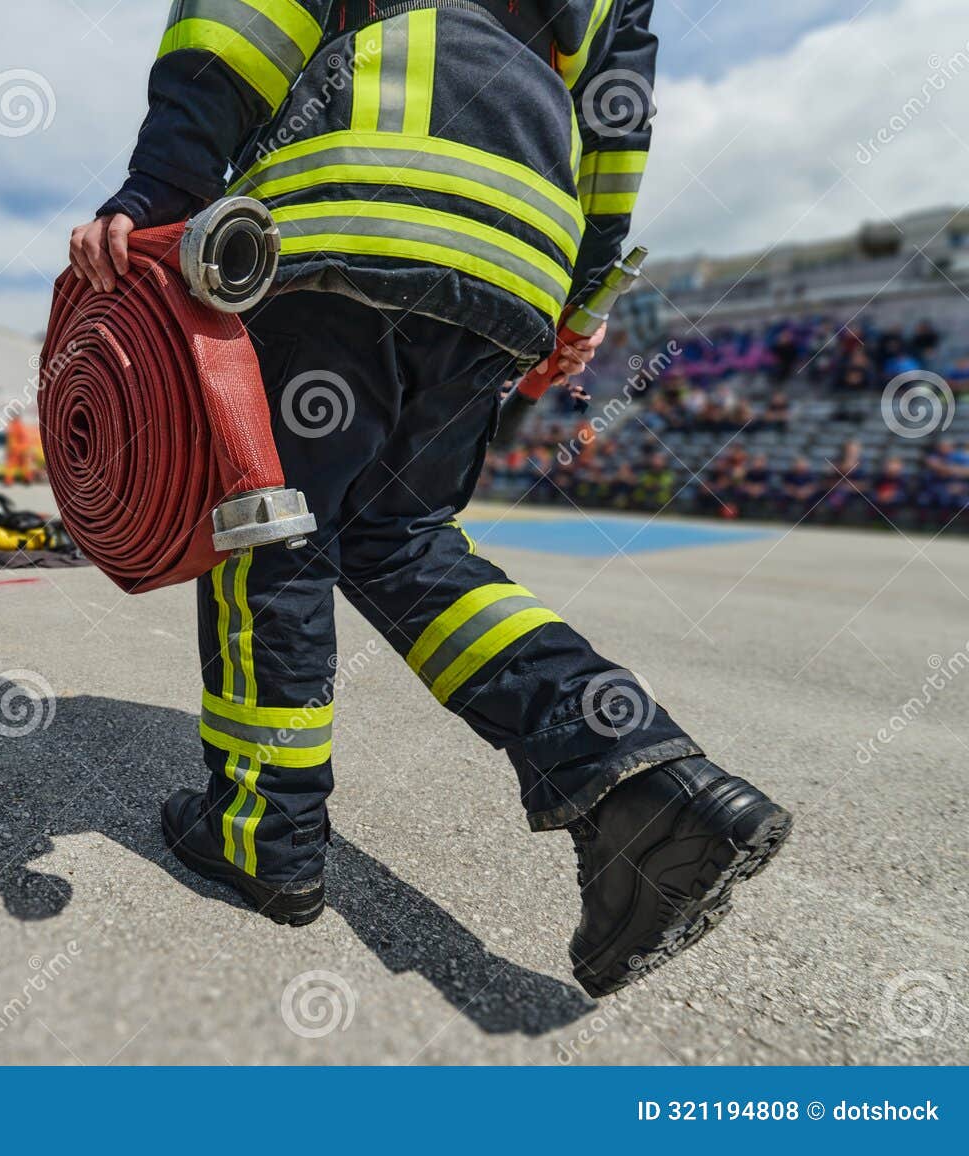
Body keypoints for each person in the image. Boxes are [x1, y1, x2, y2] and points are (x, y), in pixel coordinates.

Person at [68, 0, 790, 997]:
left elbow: (247, 17)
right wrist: (582, 299)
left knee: (266, 520)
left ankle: (261, 829)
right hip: (514, 249)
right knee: (399, 539)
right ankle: (639, 779)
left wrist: (167, 180)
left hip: (349, 207)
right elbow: (615, 124)